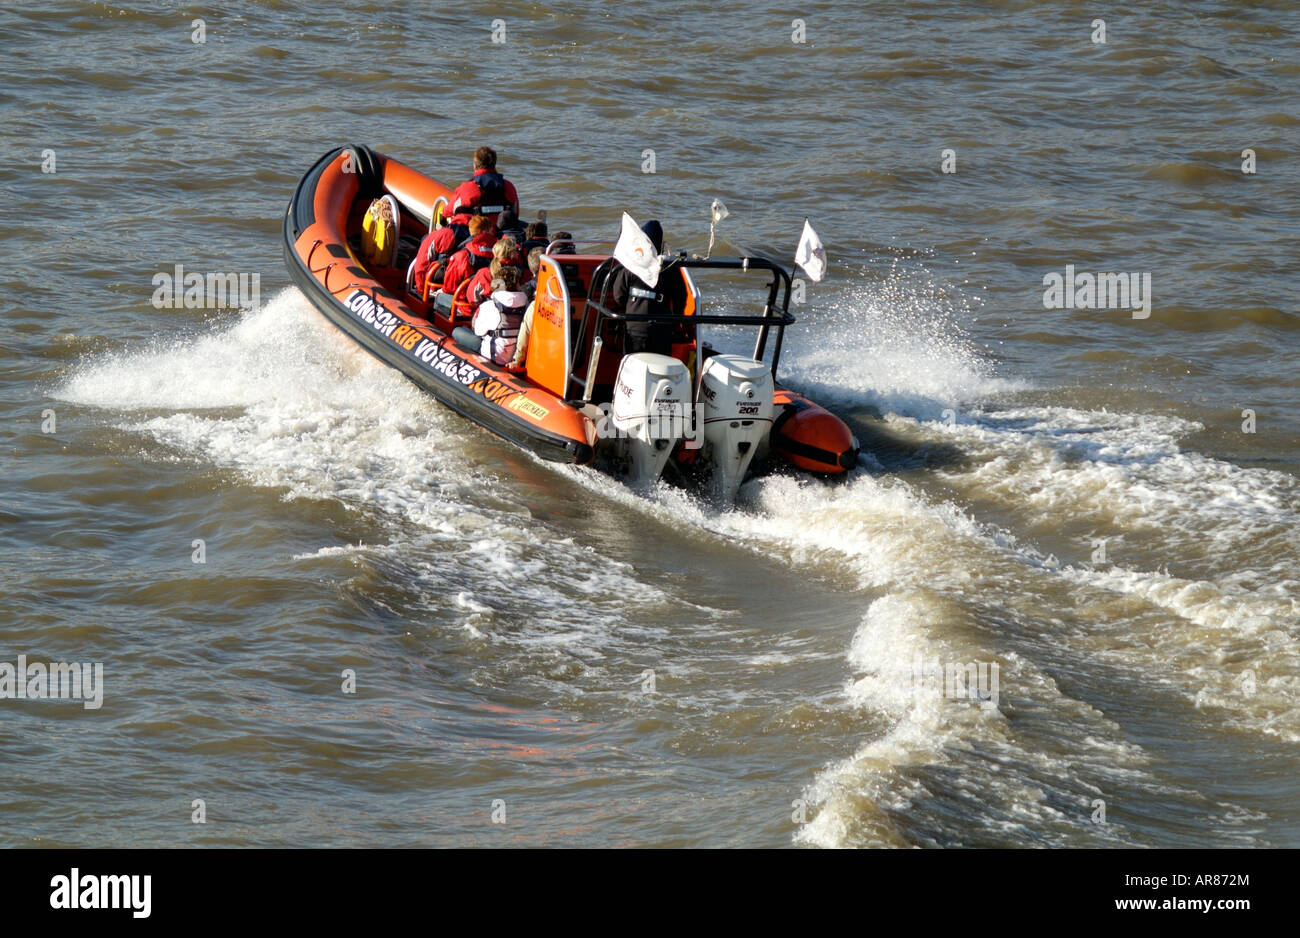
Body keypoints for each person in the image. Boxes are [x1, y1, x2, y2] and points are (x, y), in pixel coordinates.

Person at [605, 220, 687, 355]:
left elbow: (618, 296)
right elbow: (681, 299)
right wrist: (676, 321)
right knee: (660, 367)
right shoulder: (672, 269)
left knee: (633, 365)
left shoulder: (630, 266)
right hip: (662, 330)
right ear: (661, 244)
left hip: (634, 328)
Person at [452, 266, 528, 366]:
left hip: (493, 356)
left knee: (457, 331)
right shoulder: (527, 305)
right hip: (514, 356)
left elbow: (478, 331)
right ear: (518, 284)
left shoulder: (490, 306)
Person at [446, 146, 520, 242]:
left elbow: (449, 211)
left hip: (476, 237)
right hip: (502, 238)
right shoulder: (508, 187)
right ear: (494, 164)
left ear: (475, 165)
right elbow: (515, 213)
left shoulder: (468, 188)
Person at [438, 215, 498, 301]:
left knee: (439, 297)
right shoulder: (501, 251)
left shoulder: (463, 255)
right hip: (492, 298)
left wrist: (443, 290)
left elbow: (450, 286)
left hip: (466, 301)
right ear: (489, 230)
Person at [509, 247, 547, 369]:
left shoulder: (529, 296)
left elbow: (524, 330)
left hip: (533, 347)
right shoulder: (558, 289)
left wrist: (516, 360)